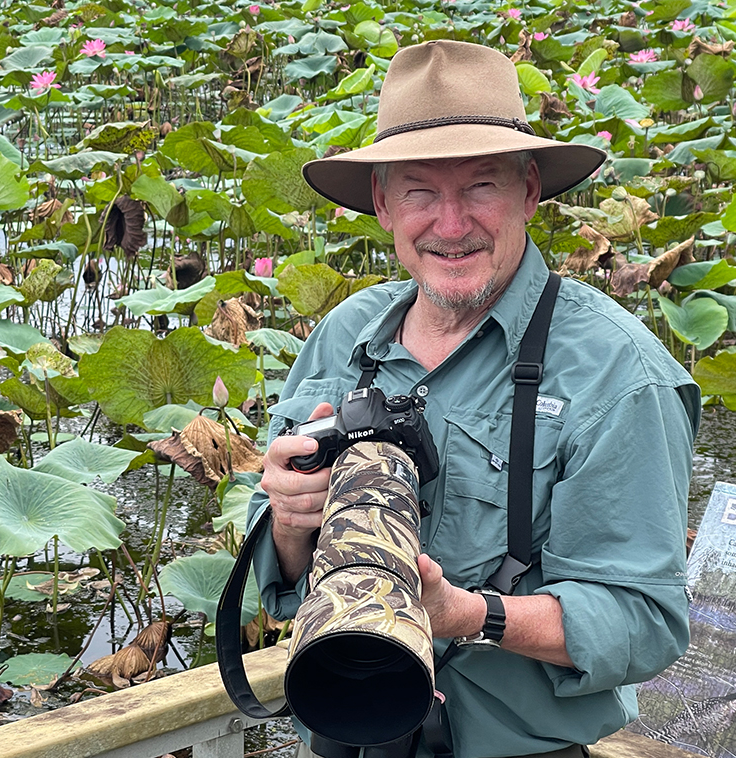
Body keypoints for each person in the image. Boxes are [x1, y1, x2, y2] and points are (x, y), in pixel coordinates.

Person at [247, 40, 700, 758]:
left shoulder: (616, 372)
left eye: (481, 186)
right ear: (382, 202)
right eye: (421, 191)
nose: (451, 225)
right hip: (342, 727)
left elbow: (643, 623)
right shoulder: (344, 337)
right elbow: (278, 584)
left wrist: (467, 614)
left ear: (528, 191)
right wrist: (289, 523)